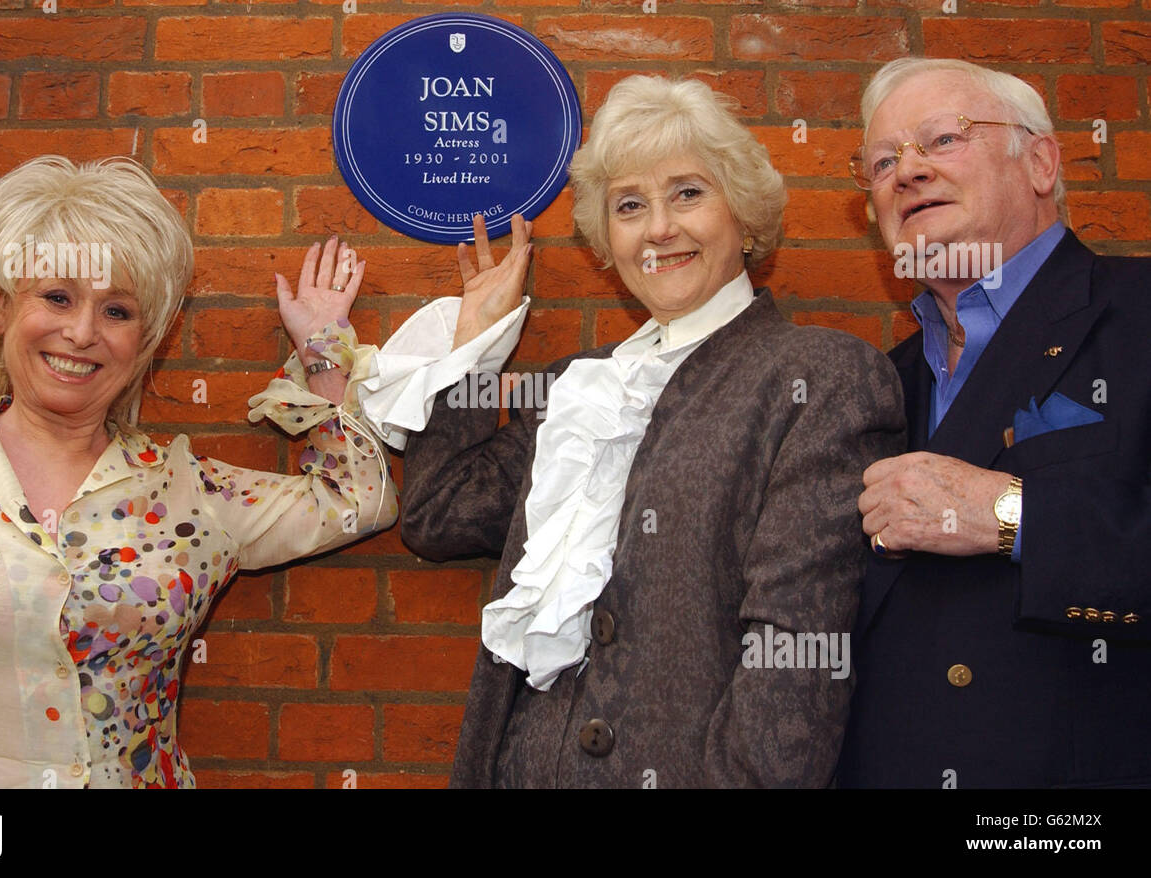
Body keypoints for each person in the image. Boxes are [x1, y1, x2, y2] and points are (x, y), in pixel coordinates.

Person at [358, 76, 906, 787]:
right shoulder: (576, 384)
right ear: (605, 240)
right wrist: (475, 342)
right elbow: (438, 513)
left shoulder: (819, 377)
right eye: (629, 205)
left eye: (688, 193)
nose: (658, 228)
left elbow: (793, 656)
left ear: (743, 215)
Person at [0, 155, 397, 788]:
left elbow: (361, 498)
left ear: (147, 340)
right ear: (1, 309)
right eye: (57, 297)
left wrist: (325, 347)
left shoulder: (189, 493)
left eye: (118, 312)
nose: (82, 332)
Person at [837, 58, 1151, 788]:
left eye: (943, 140)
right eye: (883, 161)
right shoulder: (873, 384)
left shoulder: (1139, 312)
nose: (907, 172)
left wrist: (1012, 515)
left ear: (1040, 162)